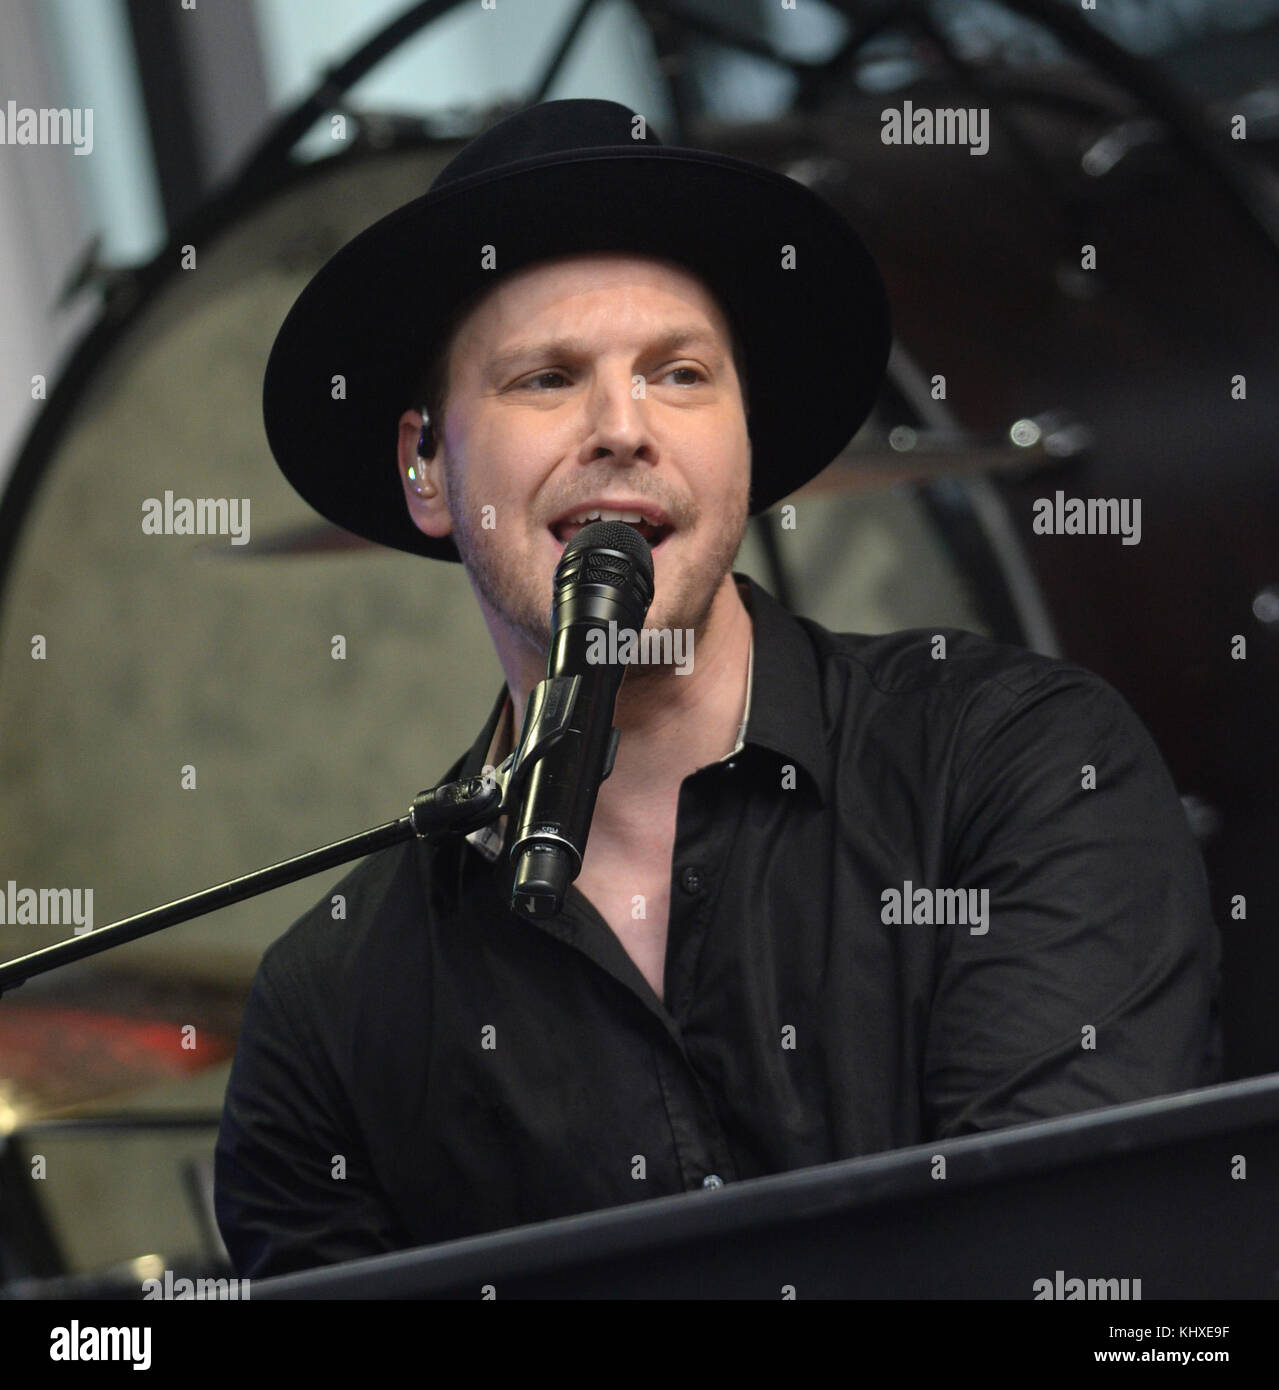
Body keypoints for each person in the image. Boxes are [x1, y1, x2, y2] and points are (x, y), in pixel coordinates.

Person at [214, 99, 1221, 1280]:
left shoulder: (1018, 767)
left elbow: (1055, 1265)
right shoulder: (329, 1012)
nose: (622, 428)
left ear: (745, 439)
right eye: (545, 378)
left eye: (679, 373)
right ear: (427, 467)